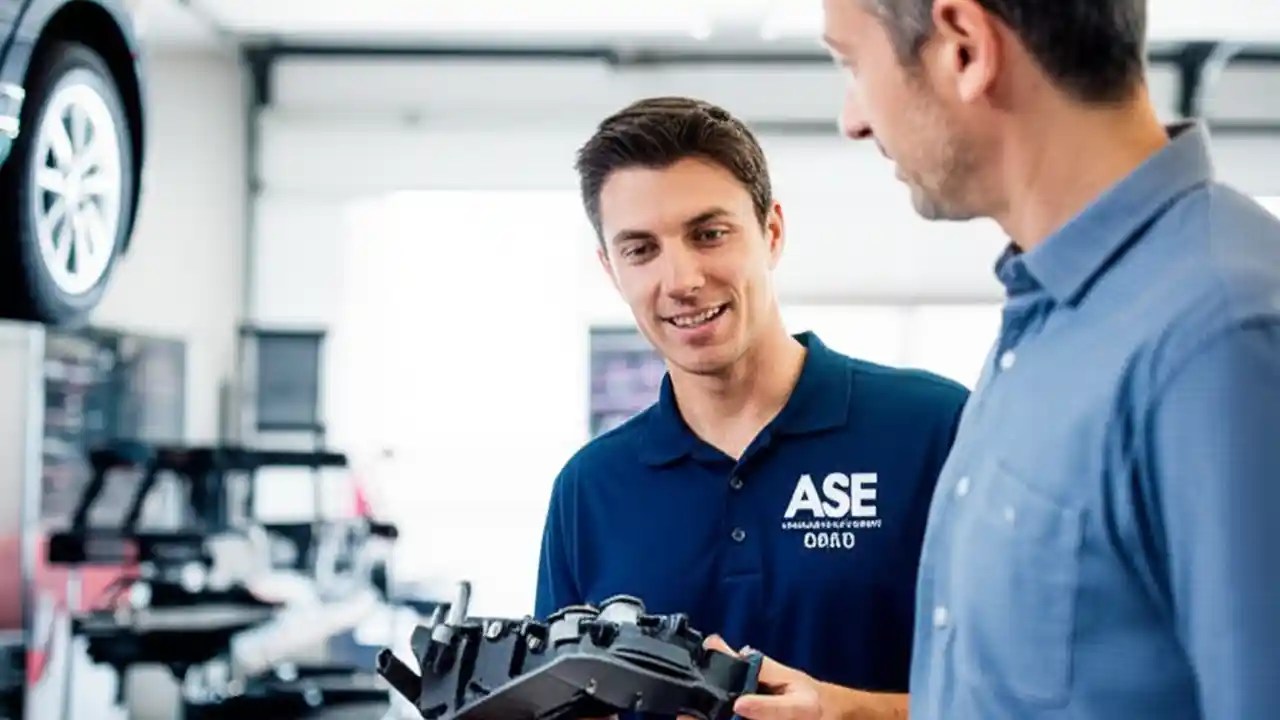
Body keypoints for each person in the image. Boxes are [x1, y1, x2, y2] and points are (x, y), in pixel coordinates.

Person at [719, 1, 1280, 720]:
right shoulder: (1048, 320)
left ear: (964, 47)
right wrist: (850, 712)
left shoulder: (1223, 337)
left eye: (853, 65)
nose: (853, 118)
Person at [533, 96, 970, 718]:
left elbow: (1034, 689)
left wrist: (847, 712)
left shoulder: (933, 428)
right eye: (640, 250)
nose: (681, 279)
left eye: (709, 234)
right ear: (611, 269)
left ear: (772, 232)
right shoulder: (590, 490)